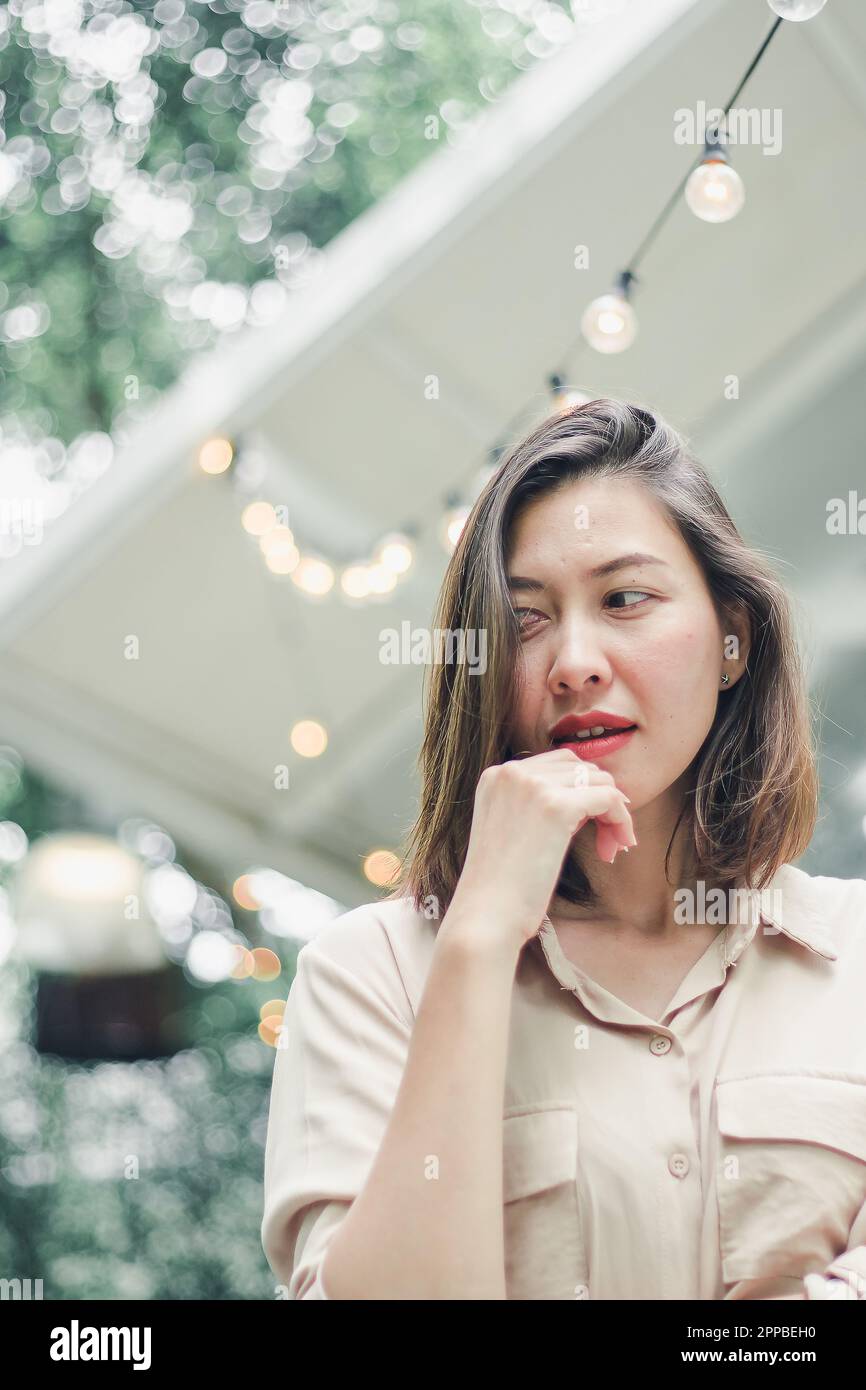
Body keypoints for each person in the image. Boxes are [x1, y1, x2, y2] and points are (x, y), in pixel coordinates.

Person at [261, 397, 866, 1301]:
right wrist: (473, 945)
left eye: (626, 599)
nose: (573, 661)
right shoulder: (370, 975)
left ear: (733, 638)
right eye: (528, 619)